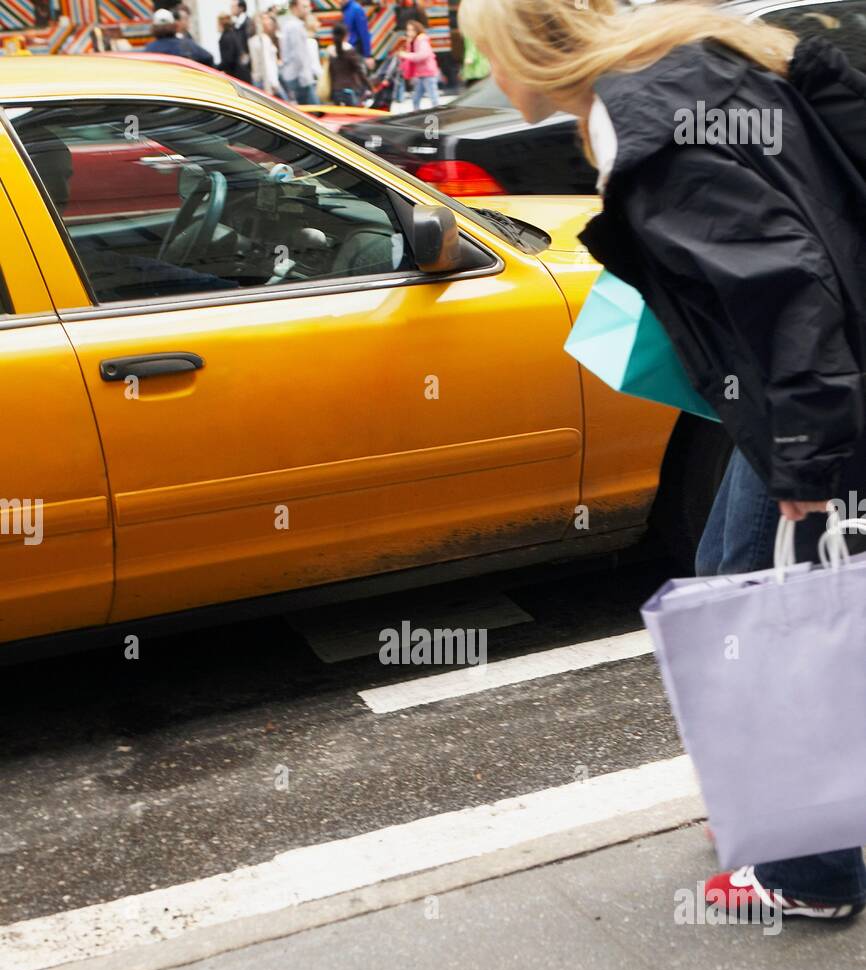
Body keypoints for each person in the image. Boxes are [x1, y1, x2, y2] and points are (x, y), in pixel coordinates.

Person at [460, 0, 866, 922]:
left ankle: (815, 873)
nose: (489, 77)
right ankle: (786, 821)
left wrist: (810, 463)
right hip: (816, 388)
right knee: (738, 587)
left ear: (522, 47)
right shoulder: (700, 63)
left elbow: (778, 284)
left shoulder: (646, 117)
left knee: (773, 617)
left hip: (818, 397)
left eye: (485, 55)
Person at [325, 21, 373, 105]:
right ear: (346, 36)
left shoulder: (330, 52)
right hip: (350, 90)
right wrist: (370, 86)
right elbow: (360, 71)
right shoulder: (350, 51)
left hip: (335, 91)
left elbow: (330, 73)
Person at [279, 0, 317, 103]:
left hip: (296, 77)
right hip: (300, 79)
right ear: (294, 7)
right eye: (304, 7)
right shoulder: (295, 26)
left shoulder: (291, 25)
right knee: (312, 114)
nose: (308, 10)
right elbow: (298, 56)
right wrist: (304, 79)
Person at [400, 16, 439, 108]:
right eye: (408, 30)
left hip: (428, 73)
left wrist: (406, 55)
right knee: (415, 99)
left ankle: (439, 118)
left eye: (412, 30)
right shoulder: (412, 41)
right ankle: (416, 115)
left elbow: (423, 55)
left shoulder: (421, 40)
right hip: (419, 74)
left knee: (433, 98)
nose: (409, 32)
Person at [249, 12, 286, 96]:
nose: (268, 21)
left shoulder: (254, 39)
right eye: (265, 18)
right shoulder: (263, 40)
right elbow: (267, 63)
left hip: (261, 80)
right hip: (267, 81)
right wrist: (273, 83)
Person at [341, 0, 374, 71]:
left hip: (356, 50)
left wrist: (367, 55)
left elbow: (364, 33)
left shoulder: (356, 9)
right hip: (348, 50)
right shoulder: (345, 8)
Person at [217, 10, 245, 76]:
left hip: (235, 73)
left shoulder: (225, 38)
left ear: (221, 24)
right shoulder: (233, 34)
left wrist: (215, 68)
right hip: (240, 72)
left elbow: (228, 60)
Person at [230, 0, 252, 80]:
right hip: (238, 68)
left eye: (233, 7)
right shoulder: (234, 24)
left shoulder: (249, 23)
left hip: (248, 67)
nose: (231, 9)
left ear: (241, 8)